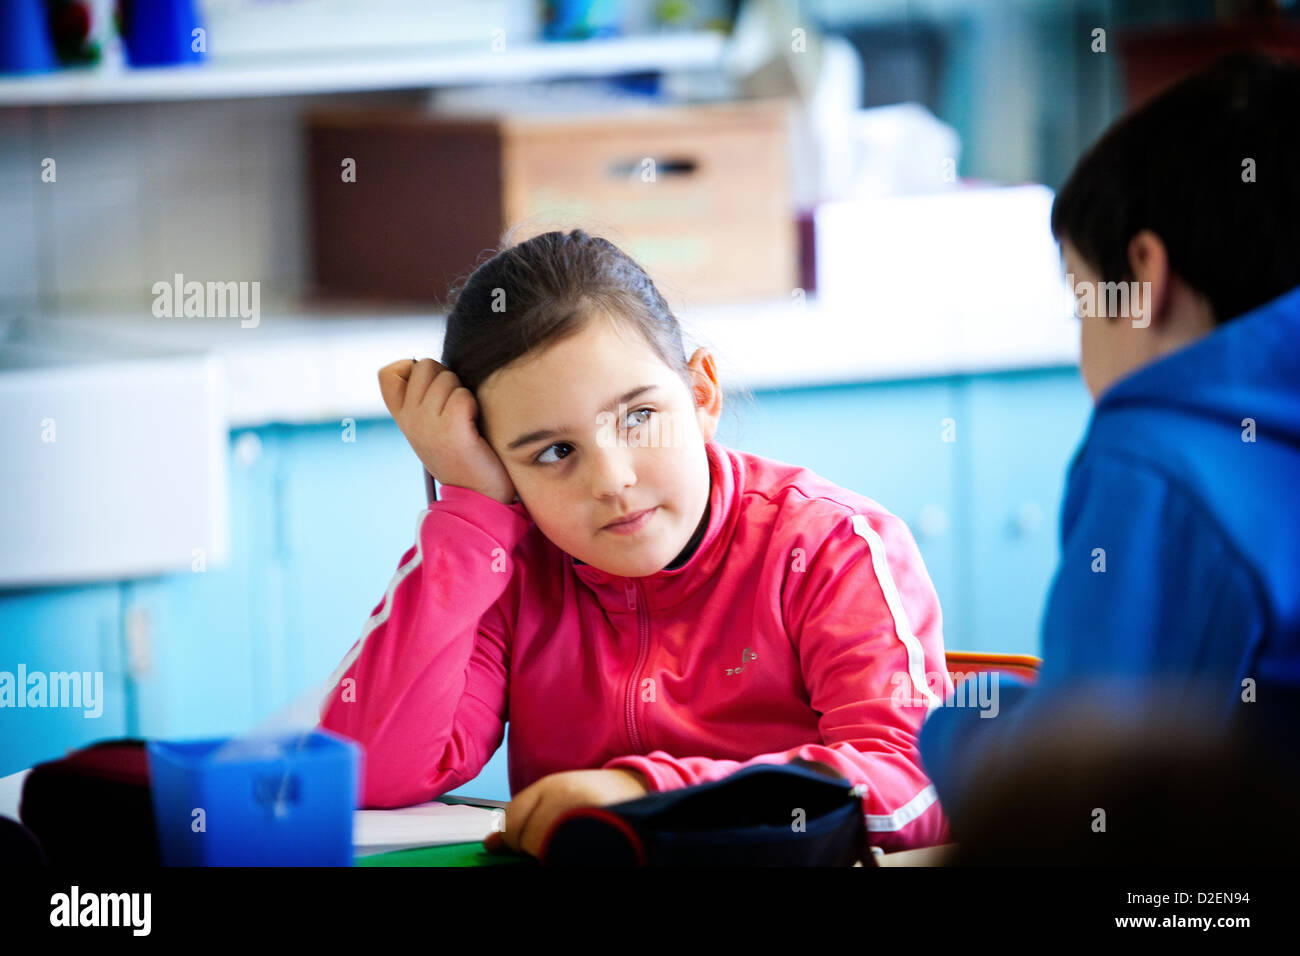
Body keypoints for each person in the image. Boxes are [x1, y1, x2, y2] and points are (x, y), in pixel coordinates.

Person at [317, 228, 954, 858]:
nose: (613, 479)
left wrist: (645, 794)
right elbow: (370, 771)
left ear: (701, 393)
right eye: (554, 452)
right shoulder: (507, 567)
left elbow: (913, 781)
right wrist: (471, 513)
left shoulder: (828, 545)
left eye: (638, 418)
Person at [920, 52, 1300, 833]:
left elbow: (1079, 803)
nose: (1081, 342)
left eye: (1081, 302)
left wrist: (956, 724)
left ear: (1143, 275)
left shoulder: (1157, 459)